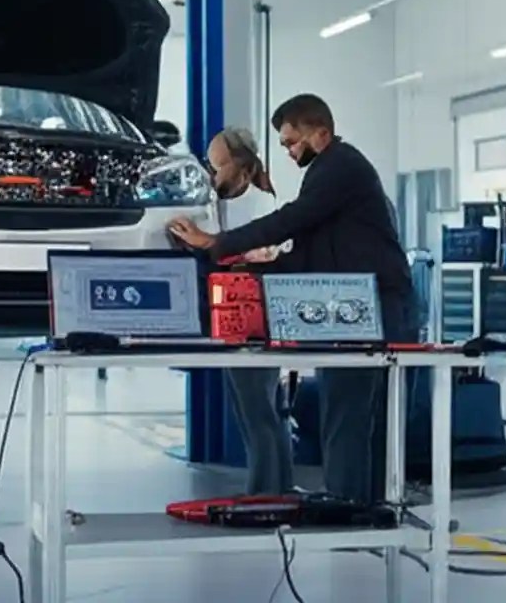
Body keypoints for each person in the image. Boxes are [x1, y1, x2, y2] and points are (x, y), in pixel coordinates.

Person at [170, 94, 412, 504]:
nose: (289, 151)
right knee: (341, 414)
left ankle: (351, 507)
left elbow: (289, 221)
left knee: (349, 415)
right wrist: (242, 268)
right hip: (349, 308)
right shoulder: (325, 174)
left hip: (373, 307)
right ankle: (350, 504)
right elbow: (304, 253)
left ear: (322, 134)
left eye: (293, 142)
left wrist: (217, 243)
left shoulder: (339, 167)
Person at [206, 127, 292, 495]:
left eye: (217, 166)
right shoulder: (224, 203)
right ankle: (277, 488)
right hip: (233, 311)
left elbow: (261, 252)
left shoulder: (261, 204)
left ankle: (264, 493)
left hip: (254, 312)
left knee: (257, 410)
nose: (212, 175)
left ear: (240, 165)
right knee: (259, 408)